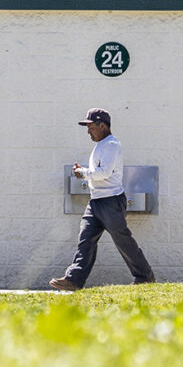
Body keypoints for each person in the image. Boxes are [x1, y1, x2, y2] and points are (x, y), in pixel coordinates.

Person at [50, 108, 155, 290]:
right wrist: (84, 171)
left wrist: (83, 173)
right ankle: (74, 280)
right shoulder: (100, 145)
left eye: (91, 126)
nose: (88, 131)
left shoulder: (112, 145)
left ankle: (145, 277)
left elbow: (104, 173)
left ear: (102, 125)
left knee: (123, 241)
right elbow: (100, 172)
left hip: (111, 201)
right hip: (96, 201)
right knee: (85, 238)